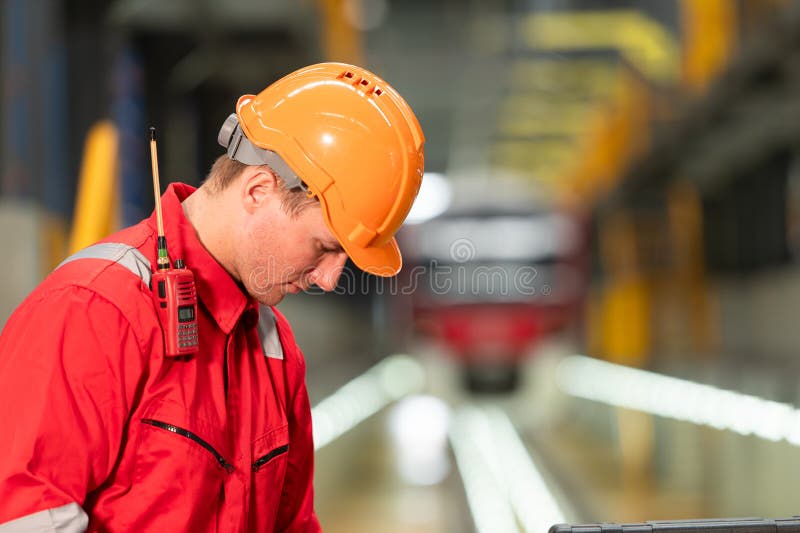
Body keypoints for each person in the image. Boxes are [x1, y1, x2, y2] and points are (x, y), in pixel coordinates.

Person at [0, 62, 425, 532]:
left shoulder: (274, 349)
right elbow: (26, 516)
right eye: (325, 247)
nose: (328, 279)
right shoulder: (95, 310)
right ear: (260, 190)